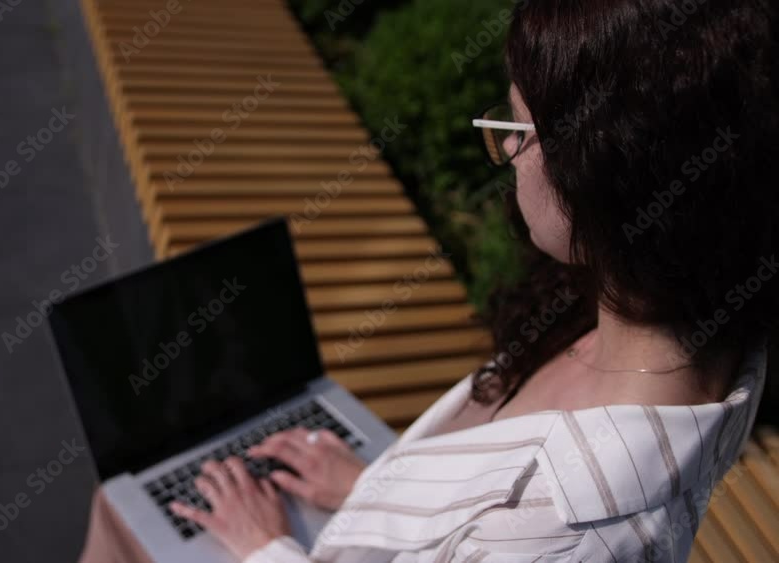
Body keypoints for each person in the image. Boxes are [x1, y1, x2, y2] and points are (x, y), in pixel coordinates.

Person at [79, 0, 778, 560]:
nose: (507, 148)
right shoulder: (688, 311)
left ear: (612, 173)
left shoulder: (561, 537)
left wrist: (264, 542)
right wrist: (372, 487)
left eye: (522, 127)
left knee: (118, 507)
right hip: (369, 520)